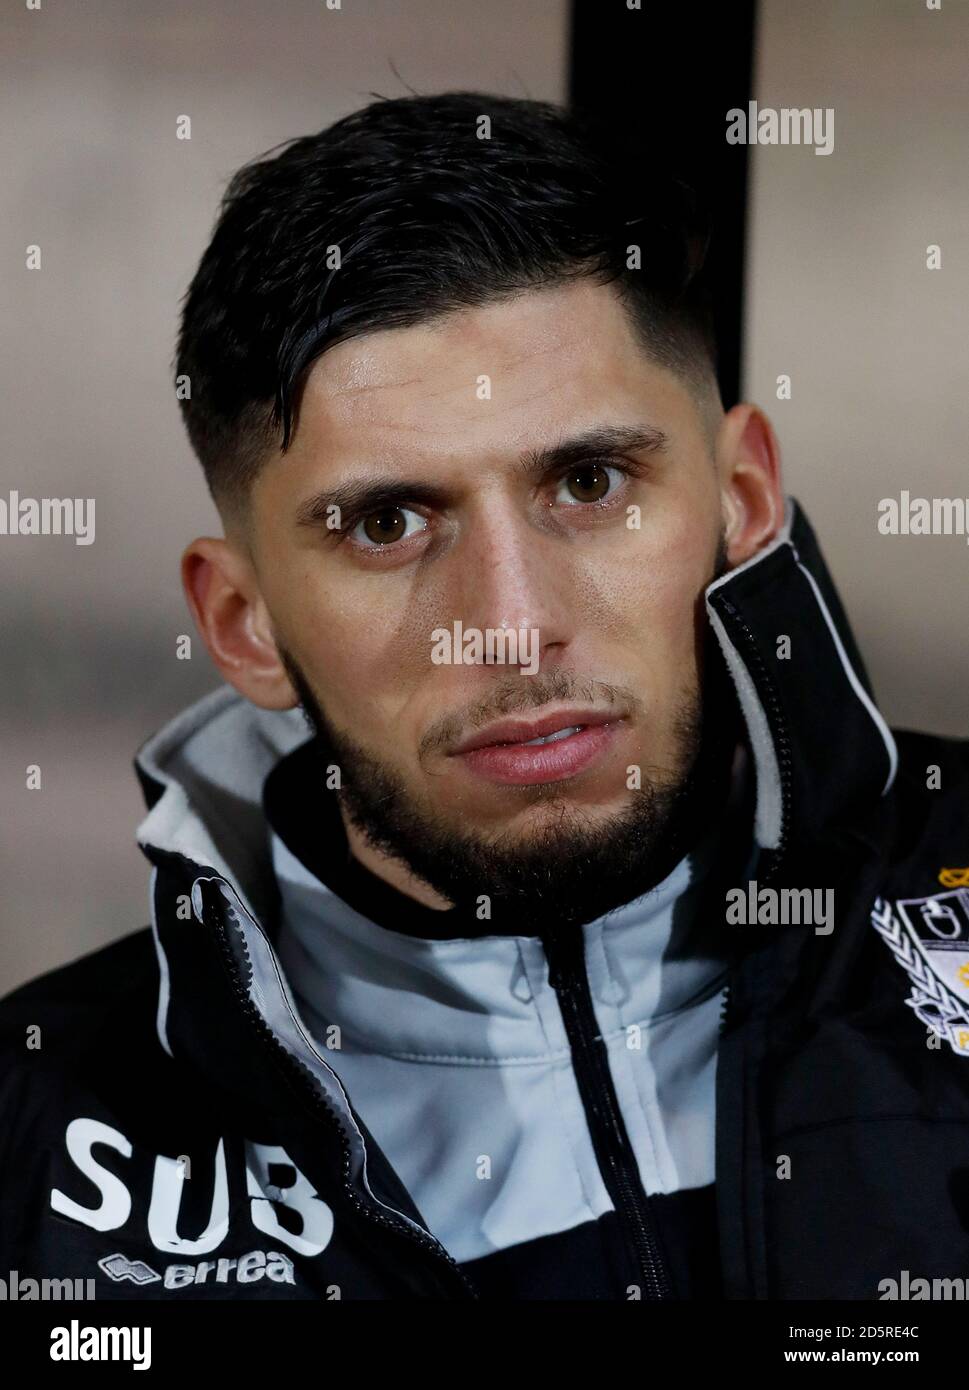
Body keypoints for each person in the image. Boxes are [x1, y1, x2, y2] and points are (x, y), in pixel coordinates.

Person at [2, 92, 967, 1302]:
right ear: (243, 624)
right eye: (388, 524)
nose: (510, 625)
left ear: (743, 503)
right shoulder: (36, 1156)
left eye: (590, 481)